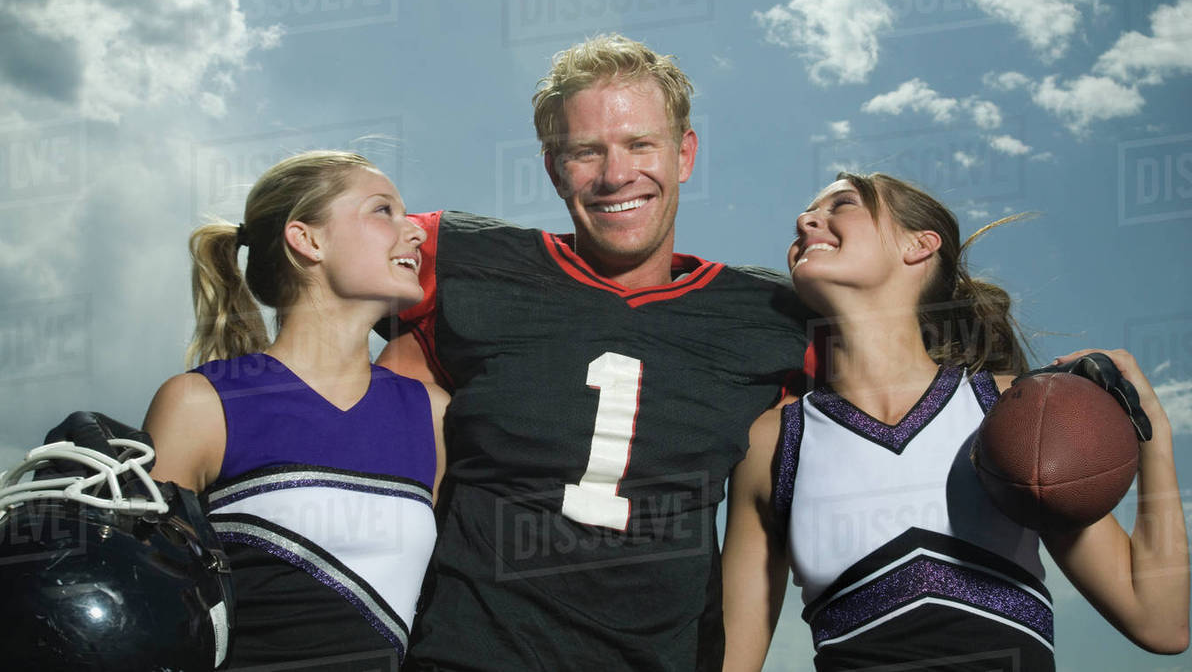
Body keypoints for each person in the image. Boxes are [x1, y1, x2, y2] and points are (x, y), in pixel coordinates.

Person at [375, 35, 811, 671]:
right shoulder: (464, 259)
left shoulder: (774, 315)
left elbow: (912, 380)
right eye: (586, 152)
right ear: (554, 169)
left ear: (685, 154)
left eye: (641, 144)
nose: (615, 175)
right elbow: (316, 243)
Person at [720, 173, 1189, 671]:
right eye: (809, 212)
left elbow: (1159, 622)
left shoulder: (1013, 413)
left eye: (844, 204)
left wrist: (1151, 432)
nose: (805, 220)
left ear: (918, 246)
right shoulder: (772, 444)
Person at [142, 150, 449, 668]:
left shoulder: (431, 415)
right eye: (383, 210)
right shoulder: (200, 404)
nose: (416, 232)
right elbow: (149, 609)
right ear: (308, 240)